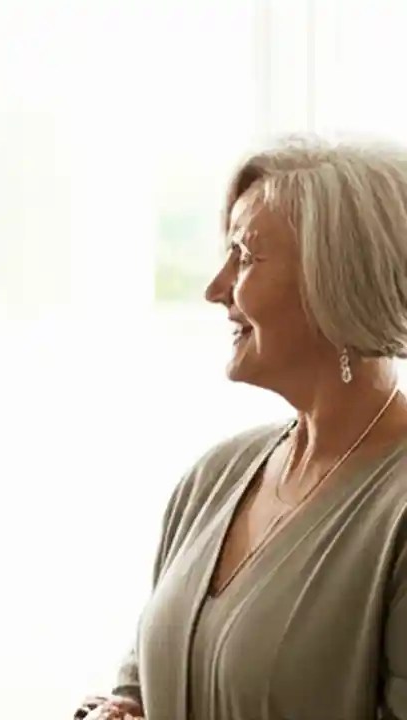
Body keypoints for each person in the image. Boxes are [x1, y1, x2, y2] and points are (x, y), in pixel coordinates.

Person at [77, 137, 407, 720]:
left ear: (339, 279)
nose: (214, 288)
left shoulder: (395, 513)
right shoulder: (212, 477)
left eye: (246, 256)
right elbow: (144, 679)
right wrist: (120, 709)